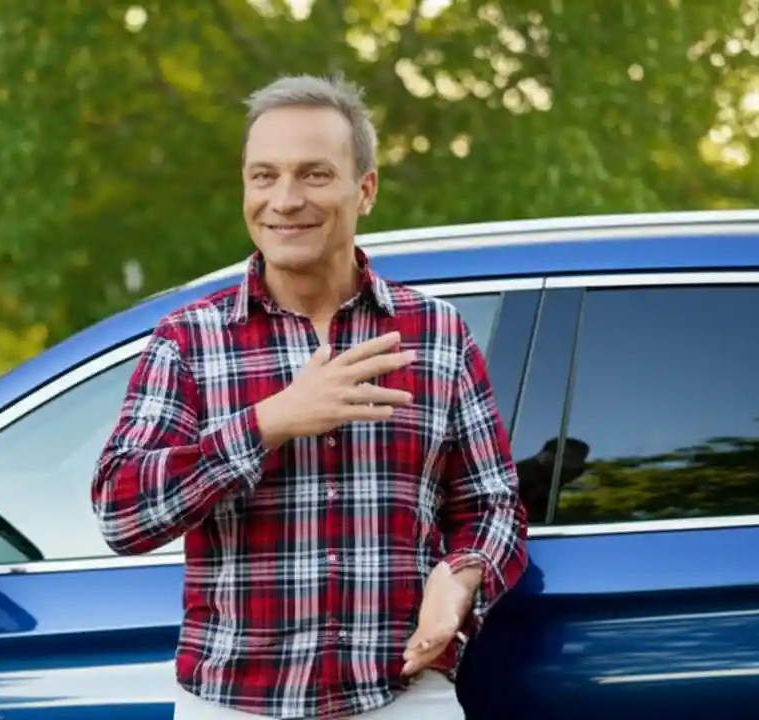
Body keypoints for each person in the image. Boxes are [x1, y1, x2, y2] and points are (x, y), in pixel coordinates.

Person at [91, 74, 528, 719]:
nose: (285, 200)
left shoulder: (437, 334)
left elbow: (494, 506)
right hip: (235, 705)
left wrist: (459, 579)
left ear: (366, 189)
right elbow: (121, 511)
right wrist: (269, 421)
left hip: (402, 697)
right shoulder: (189, 340)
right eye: (263, 176)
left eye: (315, 175)